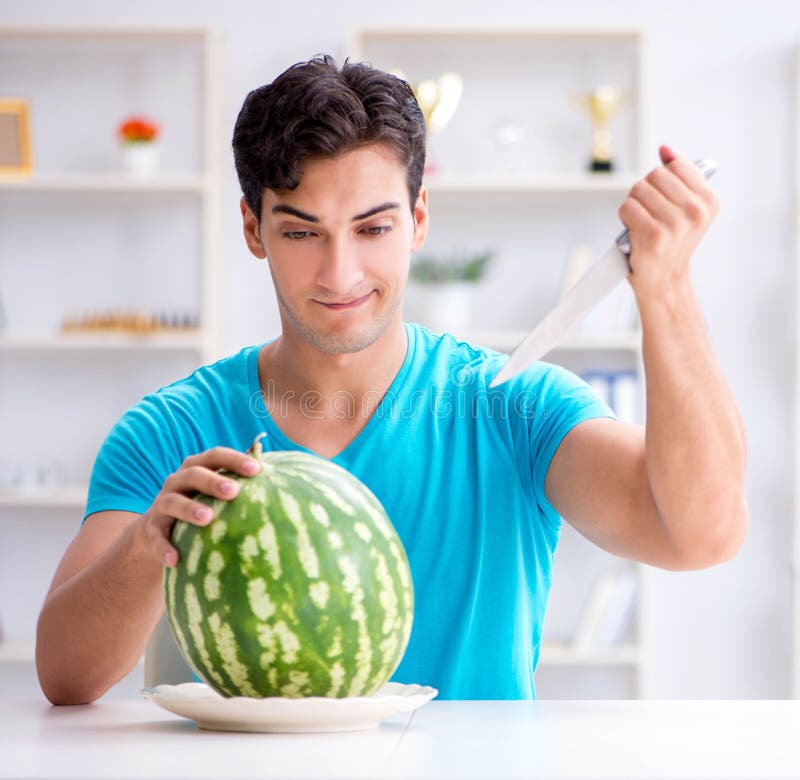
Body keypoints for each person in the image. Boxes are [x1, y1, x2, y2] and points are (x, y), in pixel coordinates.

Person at [35, 55, 748, 705]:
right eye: (302, 232)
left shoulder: (515, 409)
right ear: (253, 229)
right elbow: (66, 677)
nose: (340, 273)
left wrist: (668, 289)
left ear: (418, 219)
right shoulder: (172, 430)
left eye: (372, 229)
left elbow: (703, 536)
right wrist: (147, 544)